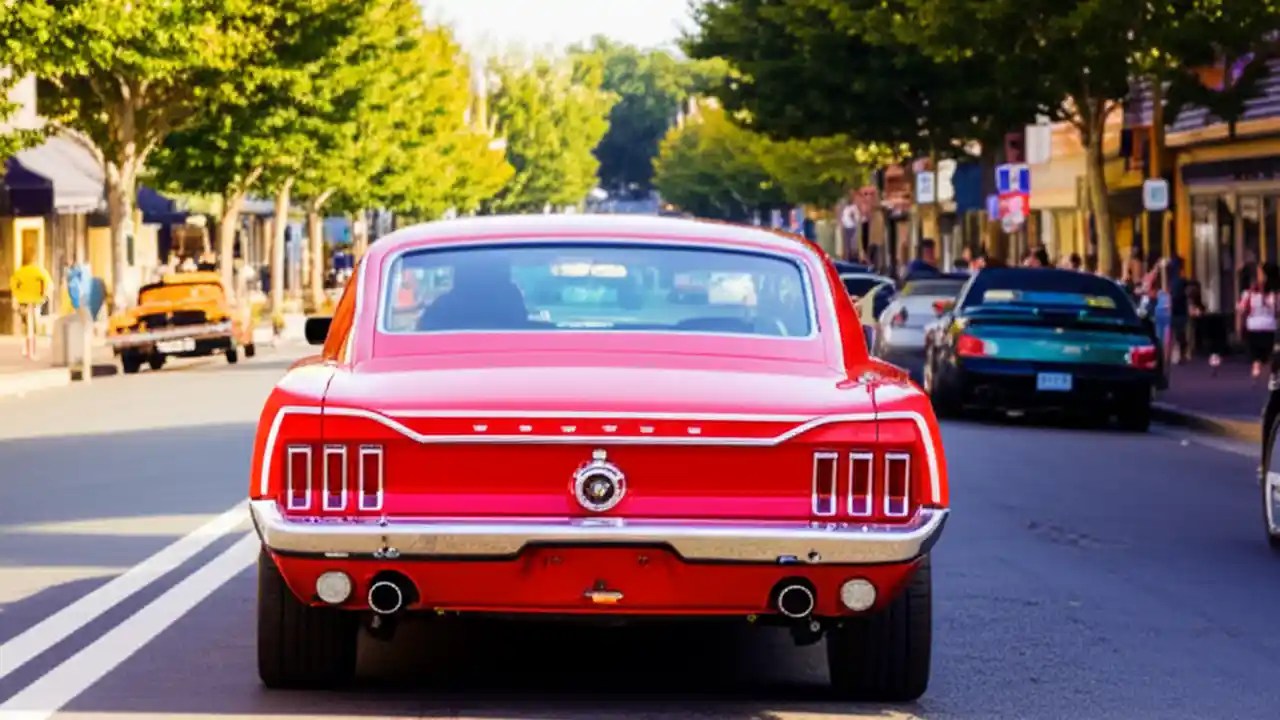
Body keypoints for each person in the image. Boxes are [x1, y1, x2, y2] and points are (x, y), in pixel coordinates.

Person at [1237, 262, 1280, 378]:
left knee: (1256, 354)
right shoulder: (1276, 294)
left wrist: (1240, 326)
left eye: (1260, 273)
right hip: (1270, 327)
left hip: (1253, 326)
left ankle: (1257, 365)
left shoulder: (1250, 292)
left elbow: (1241, 309)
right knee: (1268, 354)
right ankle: (1268, 370)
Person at [9, 260, 53, 359]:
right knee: (32, 327)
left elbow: (13, 284)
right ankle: (31, 351)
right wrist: (43, 295)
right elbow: (47, 283)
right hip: (35, 301)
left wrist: (18, 295)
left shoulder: (20, 272)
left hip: (23, 300)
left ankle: (27, 349)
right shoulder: (39, 272)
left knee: (27, 326)